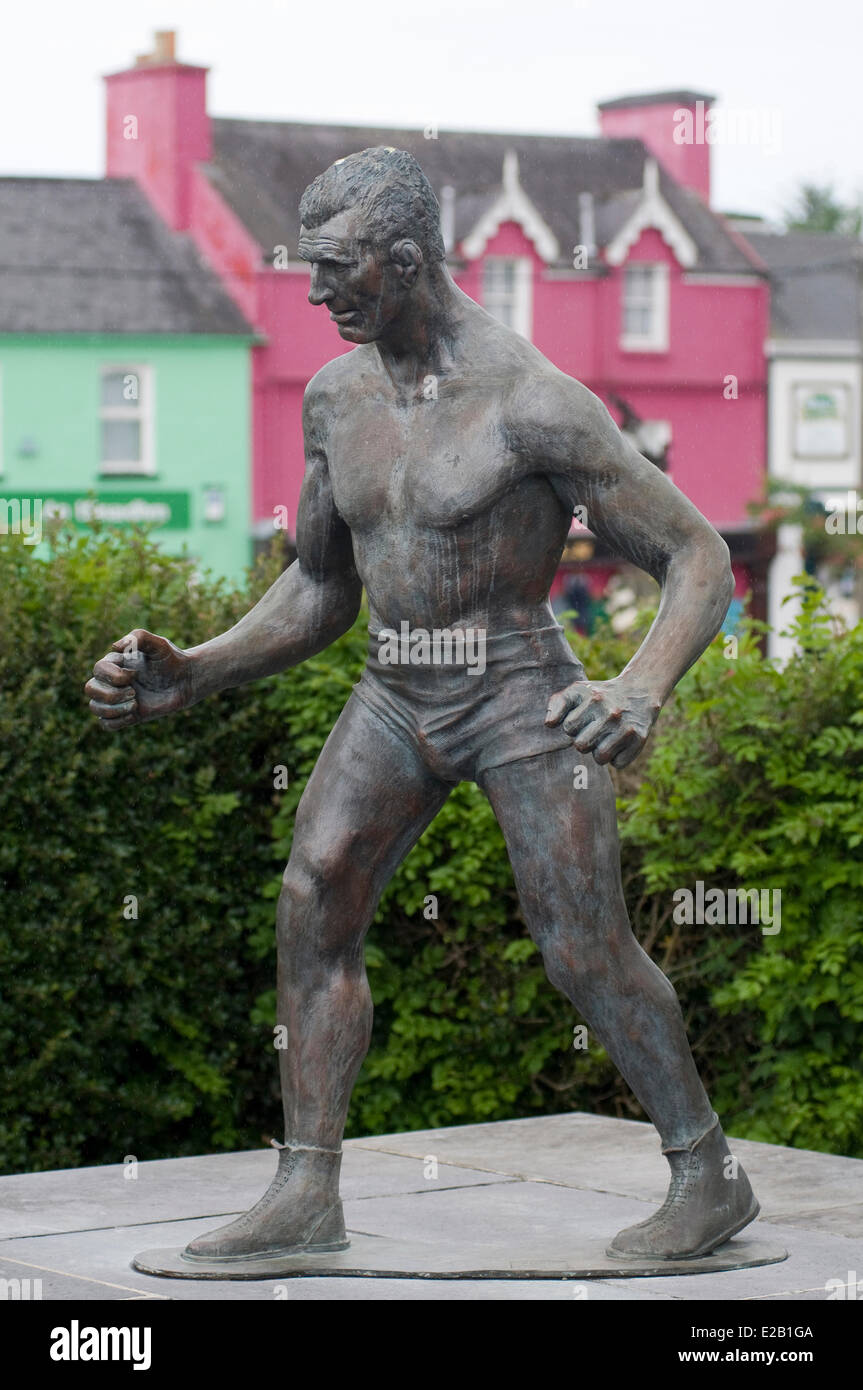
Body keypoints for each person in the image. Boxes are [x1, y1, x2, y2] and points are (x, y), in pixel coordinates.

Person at [85, 147, 758, 1264]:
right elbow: (319, 583)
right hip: (397, 688)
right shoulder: (334, 397)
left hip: (517, 690)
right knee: (313, 896)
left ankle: (707, 1172)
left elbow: (696, 553)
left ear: (404, 263)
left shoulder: (533, 401)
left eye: (338, 268)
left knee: (580, 945)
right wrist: (192, 668)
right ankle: (307, 1192)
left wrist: (638, 684)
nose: (313, 292)